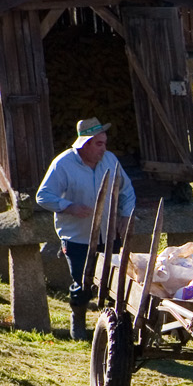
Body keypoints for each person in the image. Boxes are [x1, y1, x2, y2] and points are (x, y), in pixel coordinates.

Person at [35, 118, 135, 340]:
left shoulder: (110, 160)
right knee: (82, 282)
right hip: (77, 237)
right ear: (85, 144)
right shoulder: (63, 164)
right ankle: (78, 321)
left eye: (105, 143)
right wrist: (68, 206)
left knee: (114, 282)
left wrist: (126, 216)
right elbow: (43, 196)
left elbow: (127, 191)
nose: (104, 149)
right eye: (99, 144)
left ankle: (112, 329)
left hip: (108, 235)